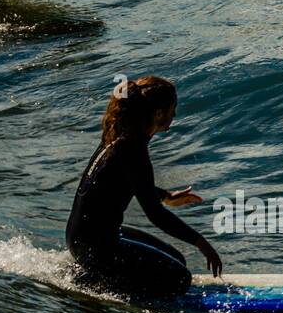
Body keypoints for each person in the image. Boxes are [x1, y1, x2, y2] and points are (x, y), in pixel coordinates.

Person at [66, 75, 222, 299]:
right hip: (96, 247)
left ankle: (97, 270)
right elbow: (155, 215)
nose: (175, 114)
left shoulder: (119, 137)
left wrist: (166, 196)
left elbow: (129, 182)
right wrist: (202, 243)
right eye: (172, 108)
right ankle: (97, 282)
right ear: (158, 113)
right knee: (179, 279)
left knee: (177, 260)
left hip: (83, 238)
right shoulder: (133, 149)